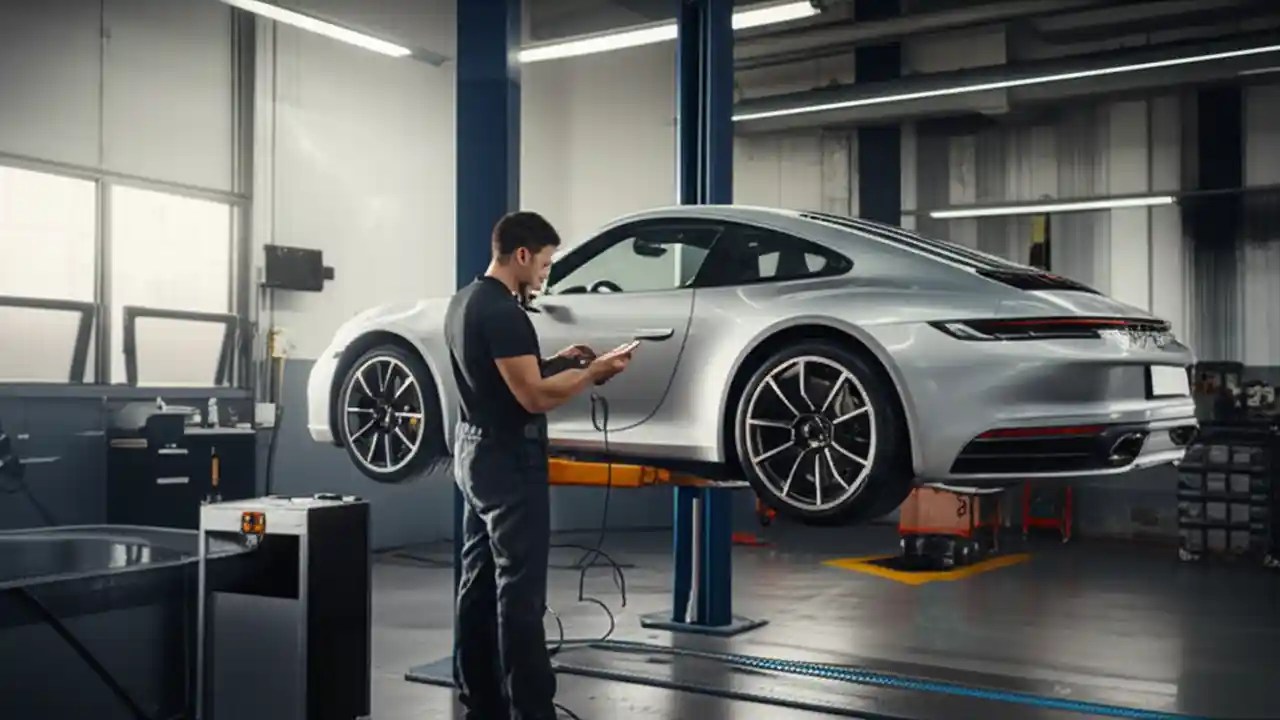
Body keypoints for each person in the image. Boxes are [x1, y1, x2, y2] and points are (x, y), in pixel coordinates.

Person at [443, 210, 633, 720]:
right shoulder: (505, 312)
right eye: (546, 265)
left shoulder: (465, 301)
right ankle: (533, 710)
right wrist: (593, 372)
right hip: (508, 460)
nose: (546, 275)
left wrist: (562, 362)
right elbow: (532, 397)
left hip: (473, 452)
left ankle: (481, 701)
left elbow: (507, 380)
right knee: (520, 596)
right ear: (522, 255)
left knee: (478, 584)